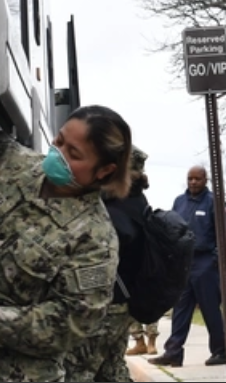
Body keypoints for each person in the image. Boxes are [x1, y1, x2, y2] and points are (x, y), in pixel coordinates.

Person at [0, 105, 132, 382]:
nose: (58, 154)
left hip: (11, 372)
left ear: (104, 170)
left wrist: (0, 322)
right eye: (59, 140)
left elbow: (75, 320)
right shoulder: (13, 162)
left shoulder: (96, 240)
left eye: (74, 154)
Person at [64, 146, 152, 382]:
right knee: (112, 371)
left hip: (108, 304)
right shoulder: (137, 202)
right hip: (122, 303)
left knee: (78, 371)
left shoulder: (116, 208)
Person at [148, 165, 226, 368]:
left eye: (197, 179)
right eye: (190, 179)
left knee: (210, 309)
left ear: (206, 180)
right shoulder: (180, 201)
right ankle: (173, 352)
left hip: (206, 264)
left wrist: (217, 259)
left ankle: (221, 351)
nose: (193, 182)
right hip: (183, 263)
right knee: (180, 309)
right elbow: (172, 228)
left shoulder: (214, 202)